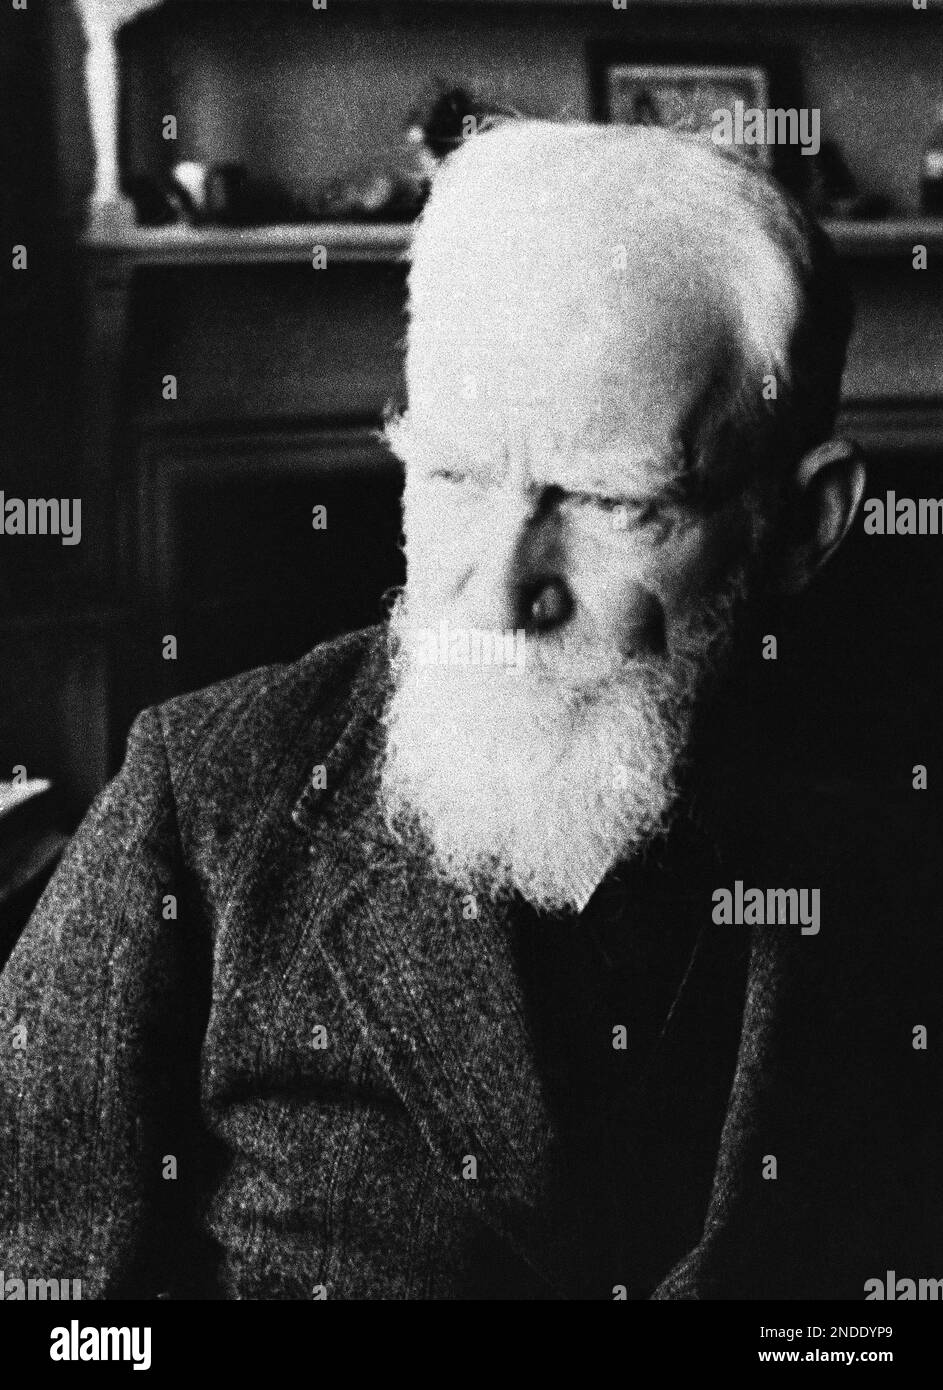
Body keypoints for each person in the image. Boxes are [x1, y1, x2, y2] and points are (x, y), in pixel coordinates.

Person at [1, 119, 938, 1301]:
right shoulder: (199, 803)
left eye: (608, 500)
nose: (499, 594)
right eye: (449, 473)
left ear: (804, 524)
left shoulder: (896, 852)